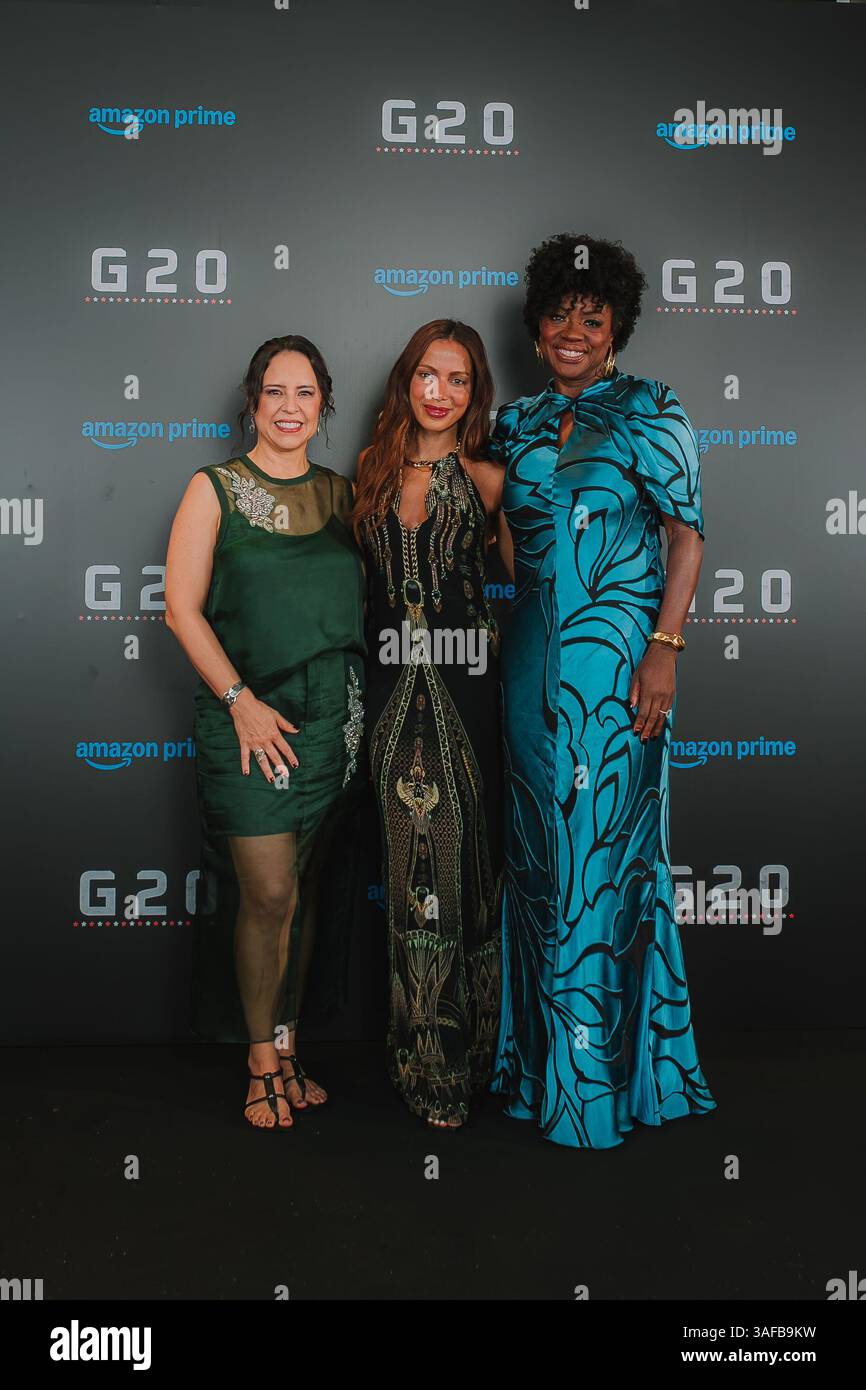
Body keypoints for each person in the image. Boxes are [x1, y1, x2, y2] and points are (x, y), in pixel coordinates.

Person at [488, 233, 717, 1149]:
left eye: (593, 317)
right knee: (542, 862)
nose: (573, 332)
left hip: (622, 665)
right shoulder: (518, 423)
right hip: (532, 662)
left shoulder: (652, 409)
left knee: (608, 863)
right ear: (538, 327)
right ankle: (544, 1075)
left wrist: (663, 647)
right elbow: (511, 545)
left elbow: (687, 534)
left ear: (618, 324)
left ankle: (607, 1089)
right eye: (559, 317)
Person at [165, 335, 367, 1131]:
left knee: (307, 889)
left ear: (324, 405)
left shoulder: (348, 495)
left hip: (334, 719)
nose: (290, 407)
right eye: (275, 391)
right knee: (268, 891)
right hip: (251, 719)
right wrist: (240, 700)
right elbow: (182, 608)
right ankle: (257, 1059)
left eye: (306, 393)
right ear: (252, 400)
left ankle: (288, 1045)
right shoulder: (212, 488)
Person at [351, 320, 512, 1129]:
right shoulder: (370, 472)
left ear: (475, 391)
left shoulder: (488, 477)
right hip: (387, 699)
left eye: (456, 379)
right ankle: (420, 1055)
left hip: (466, 691)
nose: (438, 392)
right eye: (426, 374)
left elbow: (532, 581)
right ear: (405, 381)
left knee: (461, 875)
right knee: (414, 883)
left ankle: (472, 1056)